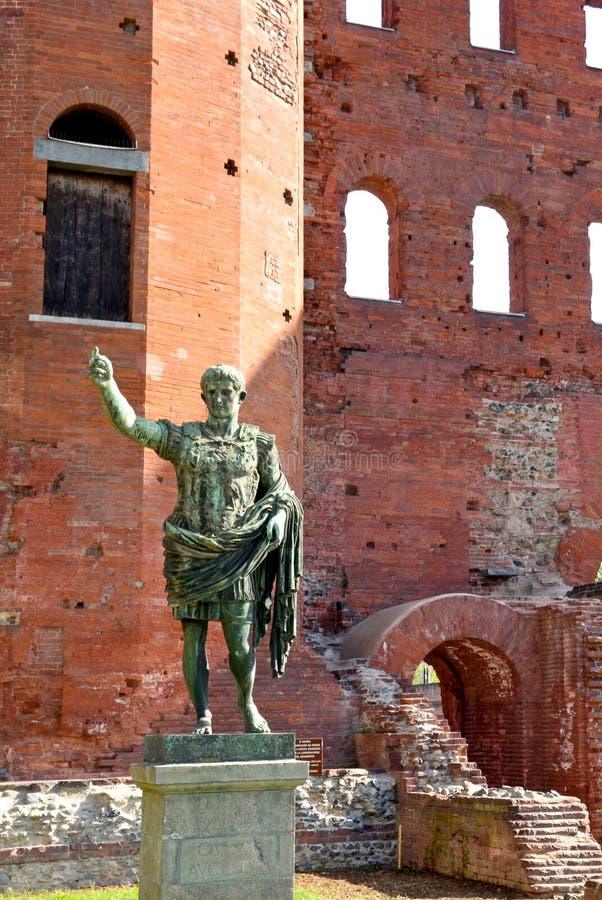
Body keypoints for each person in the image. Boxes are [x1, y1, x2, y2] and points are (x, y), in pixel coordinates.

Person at [88, 347, 302, 735]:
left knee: (239, 643)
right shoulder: (184, 438)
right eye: (213, 393)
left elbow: (282, 493)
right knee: (193, 636)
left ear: (241, 397)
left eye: (227, 392)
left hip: (238, 552)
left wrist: (281, 516)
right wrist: (108, 387)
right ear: (204, 398)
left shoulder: (259, 444)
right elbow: (134, 426)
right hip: (190, 549)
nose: (220, 399)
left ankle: (246, 701)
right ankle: (202, 715)